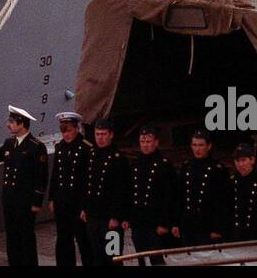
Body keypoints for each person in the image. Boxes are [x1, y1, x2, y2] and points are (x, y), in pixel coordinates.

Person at [0, 105, 49, 267]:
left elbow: (41, 177)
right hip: (9, 200)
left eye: (12, 121)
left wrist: (36, 202)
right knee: (12, 238)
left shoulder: (36, 146)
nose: (8, 125)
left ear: (22, 123)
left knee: (26, 239)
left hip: (25, 201)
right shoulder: (9, 143)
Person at [122, 125, 180, 265]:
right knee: (142, 259)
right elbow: (130, 192)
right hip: (138, 222)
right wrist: (126, 217)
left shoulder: (164, 165)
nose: (145, 145)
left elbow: (170, 197)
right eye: (142, 142)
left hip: (156, 224)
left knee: (157, 260)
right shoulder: (135, 164)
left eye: (148, 142)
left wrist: (165, 223)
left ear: (156, 142)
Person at [81, 118, 130, 266]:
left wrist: (116, 216)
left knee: (113, 257)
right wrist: (85, 208)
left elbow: (122, 190)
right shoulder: (92, 155)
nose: (100, 138)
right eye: (97, 134)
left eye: (103, 134)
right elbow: (87, 184)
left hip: (110, 220)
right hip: (93, 216)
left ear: (111, 135)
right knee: (97, 256)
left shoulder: (118, 159)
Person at [48, 111, 94, 267]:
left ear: (77, 128)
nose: (65, 134)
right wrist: (52, 198)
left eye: (68, 130)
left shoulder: (86, 148)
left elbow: (89, 180)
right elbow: (56, 175)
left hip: (78, 203)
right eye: (63, 131)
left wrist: (85, 206)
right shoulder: (60, 147)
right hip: (62, 202)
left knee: (83, 241)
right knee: (63, 240)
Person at [179, 128, 229, 246]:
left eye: (201, 145)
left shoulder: (218, 169)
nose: (197, 149)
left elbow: (222, 202)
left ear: (209, 146)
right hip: (188, 225)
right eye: (194, 145)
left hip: (208, 225)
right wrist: (177, 223)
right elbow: (180, 197)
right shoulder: (186, 166)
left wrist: (217, 228)